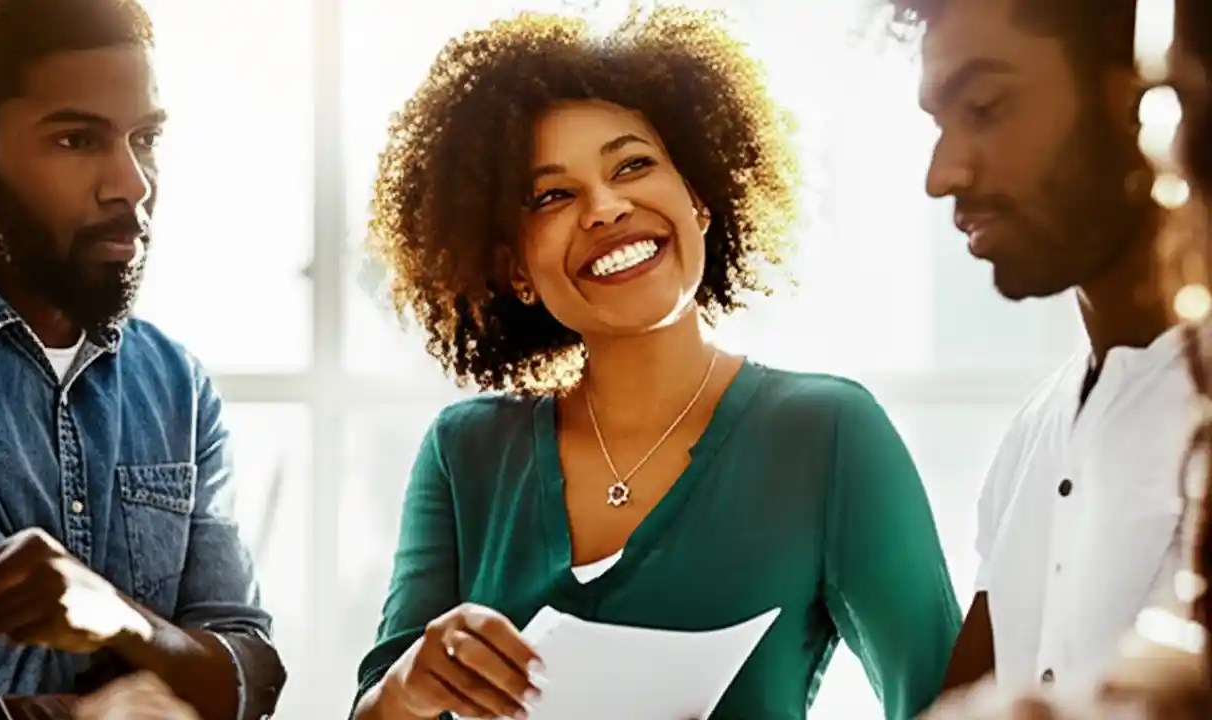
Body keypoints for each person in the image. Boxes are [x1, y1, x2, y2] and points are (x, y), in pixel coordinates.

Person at [350, 8, 961, 720]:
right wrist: (412, 685)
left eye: (633, 165)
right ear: (514, 268)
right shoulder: (466, 452)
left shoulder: (825, 434)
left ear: (700, 200)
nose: (606, 207)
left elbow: (947, 705)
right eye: (553, 195)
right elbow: (375, 710)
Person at [0, 0, 286, 717]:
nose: (132, 184)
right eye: (76, 141)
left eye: (146, 138)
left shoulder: (176, 386)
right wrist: (167, 666)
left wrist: (118, 618)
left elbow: (253, 678)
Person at [879, 0, 1194, 698]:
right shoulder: (1036, 431)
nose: (943, 174)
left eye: (985, 106)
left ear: (1144, 99)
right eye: (940, 123)